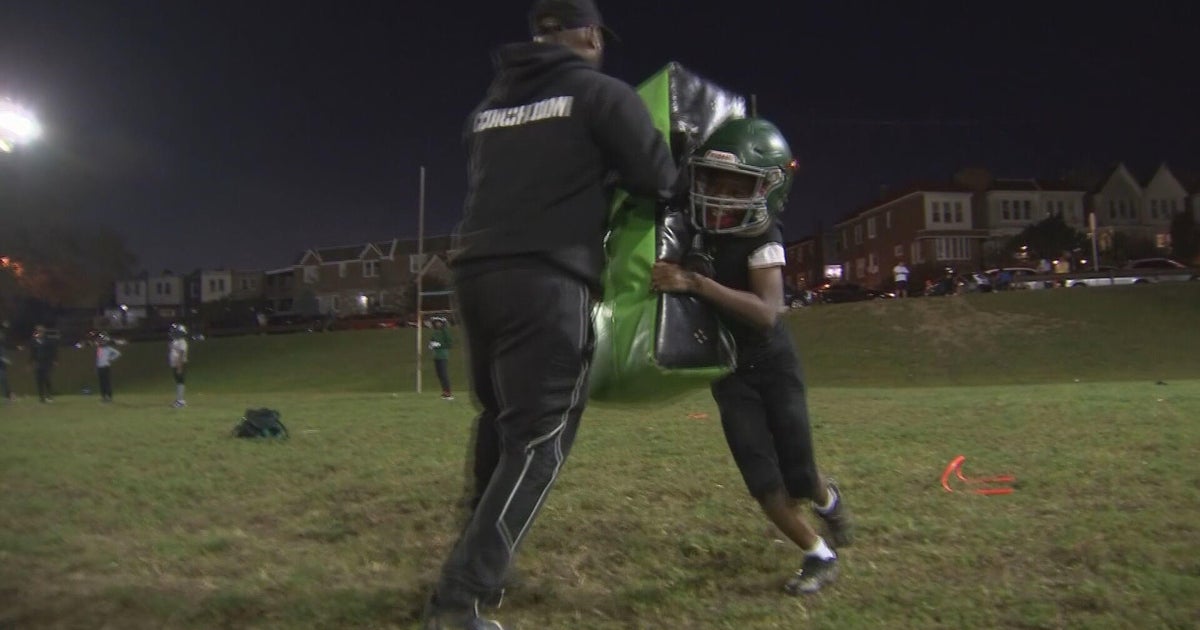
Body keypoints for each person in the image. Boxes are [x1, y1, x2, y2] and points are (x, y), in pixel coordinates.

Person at [422, 0, 678, 627]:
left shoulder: (489, 107)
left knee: (501, 425)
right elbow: (659, 177)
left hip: (478, 279)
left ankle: (474, 566)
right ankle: (460, 600)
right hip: (547, 280)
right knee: (539, 441)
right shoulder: (601, 93)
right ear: (588, 35)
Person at [650, 117, 853, 595]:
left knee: (799, 475)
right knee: (762, 478)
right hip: (729, 371)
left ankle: (828, 501)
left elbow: (767, 312)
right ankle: (817, 554)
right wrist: (680, 138)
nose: (719, 193)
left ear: (768, 190)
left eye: (736, 184)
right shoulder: (697, 228)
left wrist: (694, 282)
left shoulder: (764, 239)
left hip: (773, 366)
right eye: (713, 179)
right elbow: (669, 184)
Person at [29, 325, 57, 403]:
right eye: (38, 331)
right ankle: (41, 397)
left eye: (41, 331)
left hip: (47, 362)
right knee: (39, 380)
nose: (40, 333)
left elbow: (53, 351)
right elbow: (32, 353)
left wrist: (55, 360)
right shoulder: (34, 341)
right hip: (38, 363)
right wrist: (30, 362)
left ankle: (49, 395)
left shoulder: (48, 341)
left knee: (47, 378)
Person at [429, 316, 455, 400]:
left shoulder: (445, 331)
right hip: (436, 356)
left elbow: (449, 344)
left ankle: (448, 393)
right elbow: (432, 341)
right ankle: (444, 392)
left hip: (443, 356)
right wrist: (431, 345)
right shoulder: (435, 332)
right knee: (439, 375)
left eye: (439, 322)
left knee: (444, 375)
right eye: (436, 322)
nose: (437, 324)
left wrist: (440, 345)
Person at [95, 332, 122, 403]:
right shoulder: (99, 349)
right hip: (100, 367)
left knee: (107, 382)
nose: (100, 342)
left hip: (105, 367)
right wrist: (97, 365)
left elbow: (118, 353)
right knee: (102, 383)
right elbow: (99, 358)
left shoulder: (108, 348)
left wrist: (110, 359)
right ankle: (103, 397)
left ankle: (109, 397)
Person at [168, 323, 189, 408]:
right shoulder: (176, 341)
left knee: (180, 381)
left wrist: (179, 366)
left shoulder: (182, 342)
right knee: (178, 381)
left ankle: (180, 400)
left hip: (179, 363)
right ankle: (179, 399)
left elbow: (181, 353)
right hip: (175, 363)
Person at [0, 323, 12, 402]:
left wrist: (5, 360)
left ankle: (8, 396)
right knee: (3, 380)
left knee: (3, 380)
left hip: (1, 366)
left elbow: (3, 356)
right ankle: (8, 395)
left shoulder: (2, 346)